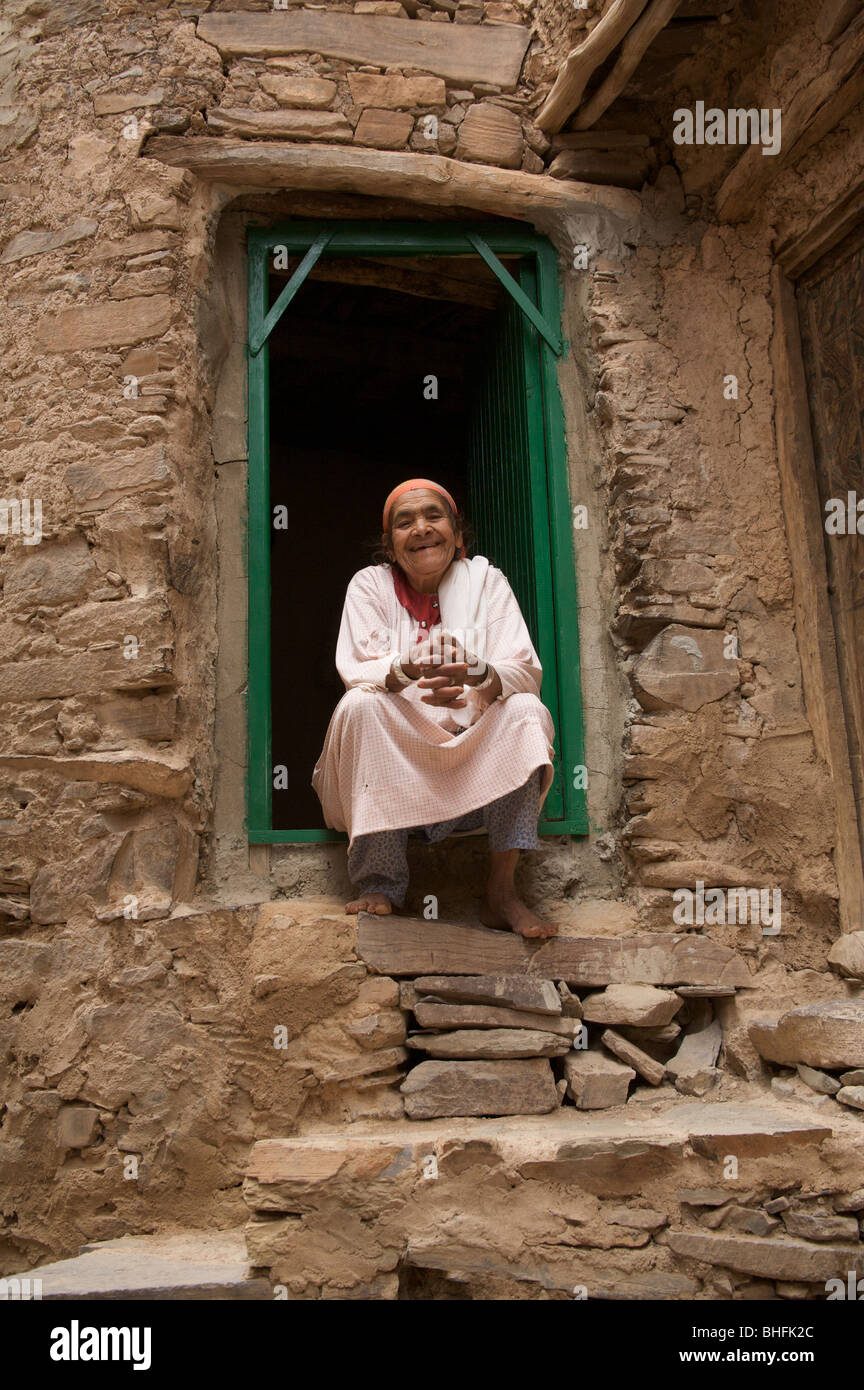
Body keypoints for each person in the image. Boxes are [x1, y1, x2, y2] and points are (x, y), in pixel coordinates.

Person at [311, 478, 559, 939]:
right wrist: (412, 670)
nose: (421, 528)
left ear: (459, 535)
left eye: (433, 516)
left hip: (474, 790)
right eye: (404, 523)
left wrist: (477, 675)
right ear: (390, 547)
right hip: (397, 777)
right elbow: (358, 669)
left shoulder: (487, 582)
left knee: (526, 709)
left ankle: (501, 893)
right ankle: (380, 883)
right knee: (360, 706)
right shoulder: (370, 586)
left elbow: (523, 669)